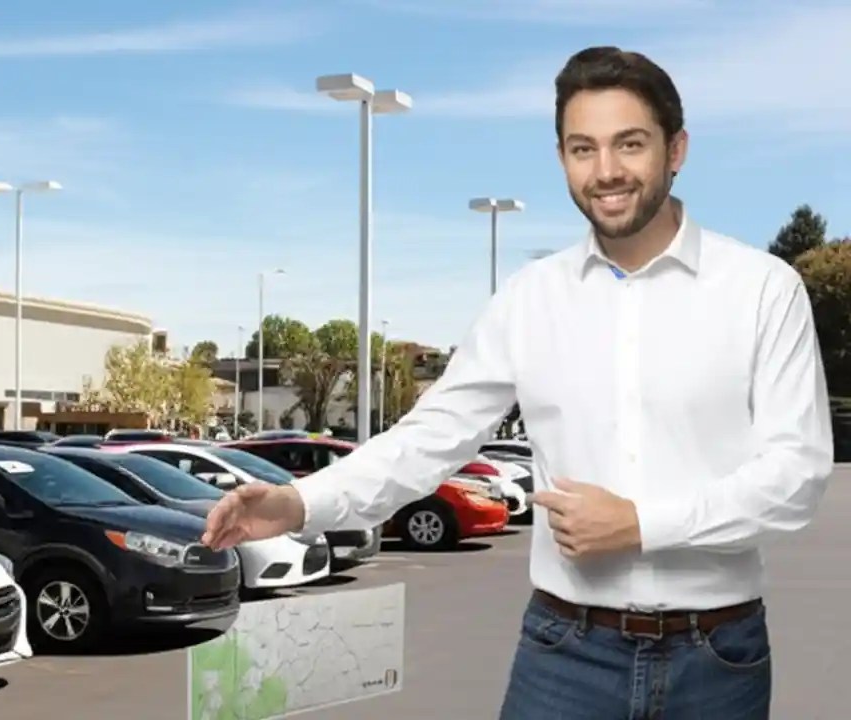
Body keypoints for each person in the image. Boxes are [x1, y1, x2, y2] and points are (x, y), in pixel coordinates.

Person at [201, 45, 834, 720]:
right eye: (583, 148)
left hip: (718, 661)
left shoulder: (762, 290)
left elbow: (796, 475)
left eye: (630, 144)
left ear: (675, 149)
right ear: (562, 158)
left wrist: (641, 524)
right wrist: (299, 503)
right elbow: (430, 437)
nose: (606, 171)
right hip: (566, 656)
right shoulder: (531, 298)